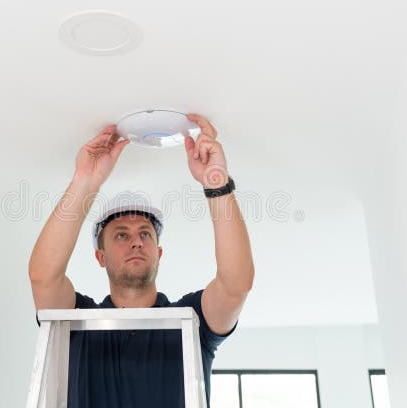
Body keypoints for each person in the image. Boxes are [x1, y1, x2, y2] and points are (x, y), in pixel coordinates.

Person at [28, 113, 254, 407]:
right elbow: (43, 277)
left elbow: (236, 285)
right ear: (100, 257)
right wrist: (85, 181)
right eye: (121, 235)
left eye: (145, 234)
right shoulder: (77, 324)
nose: (136, 241)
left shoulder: (191, 319)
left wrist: (217, 183)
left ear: (158, 254)